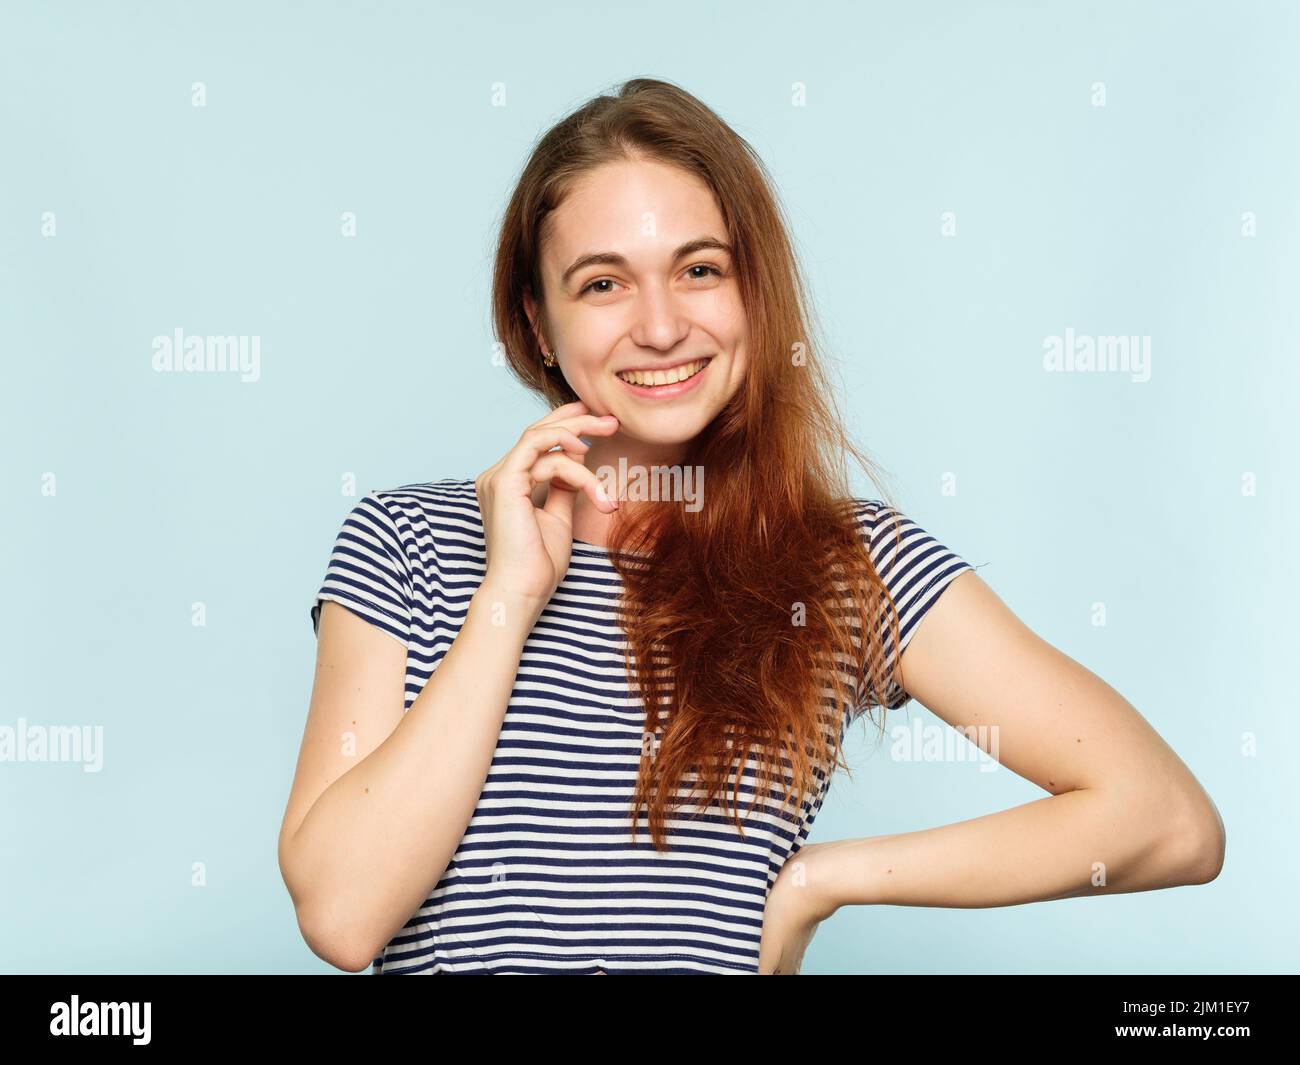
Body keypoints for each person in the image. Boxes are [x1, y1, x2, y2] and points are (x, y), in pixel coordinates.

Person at [277, 77, 1224, 975]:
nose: (659, 326)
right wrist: (509, 596)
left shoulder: (844, 567)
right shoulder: (409, 541)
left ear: (754, 294)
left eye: (699, 270)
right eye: (603, 284)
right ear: (536, 322)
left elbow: (1167, 818)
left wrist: (826, 878)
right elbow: (344, 916)